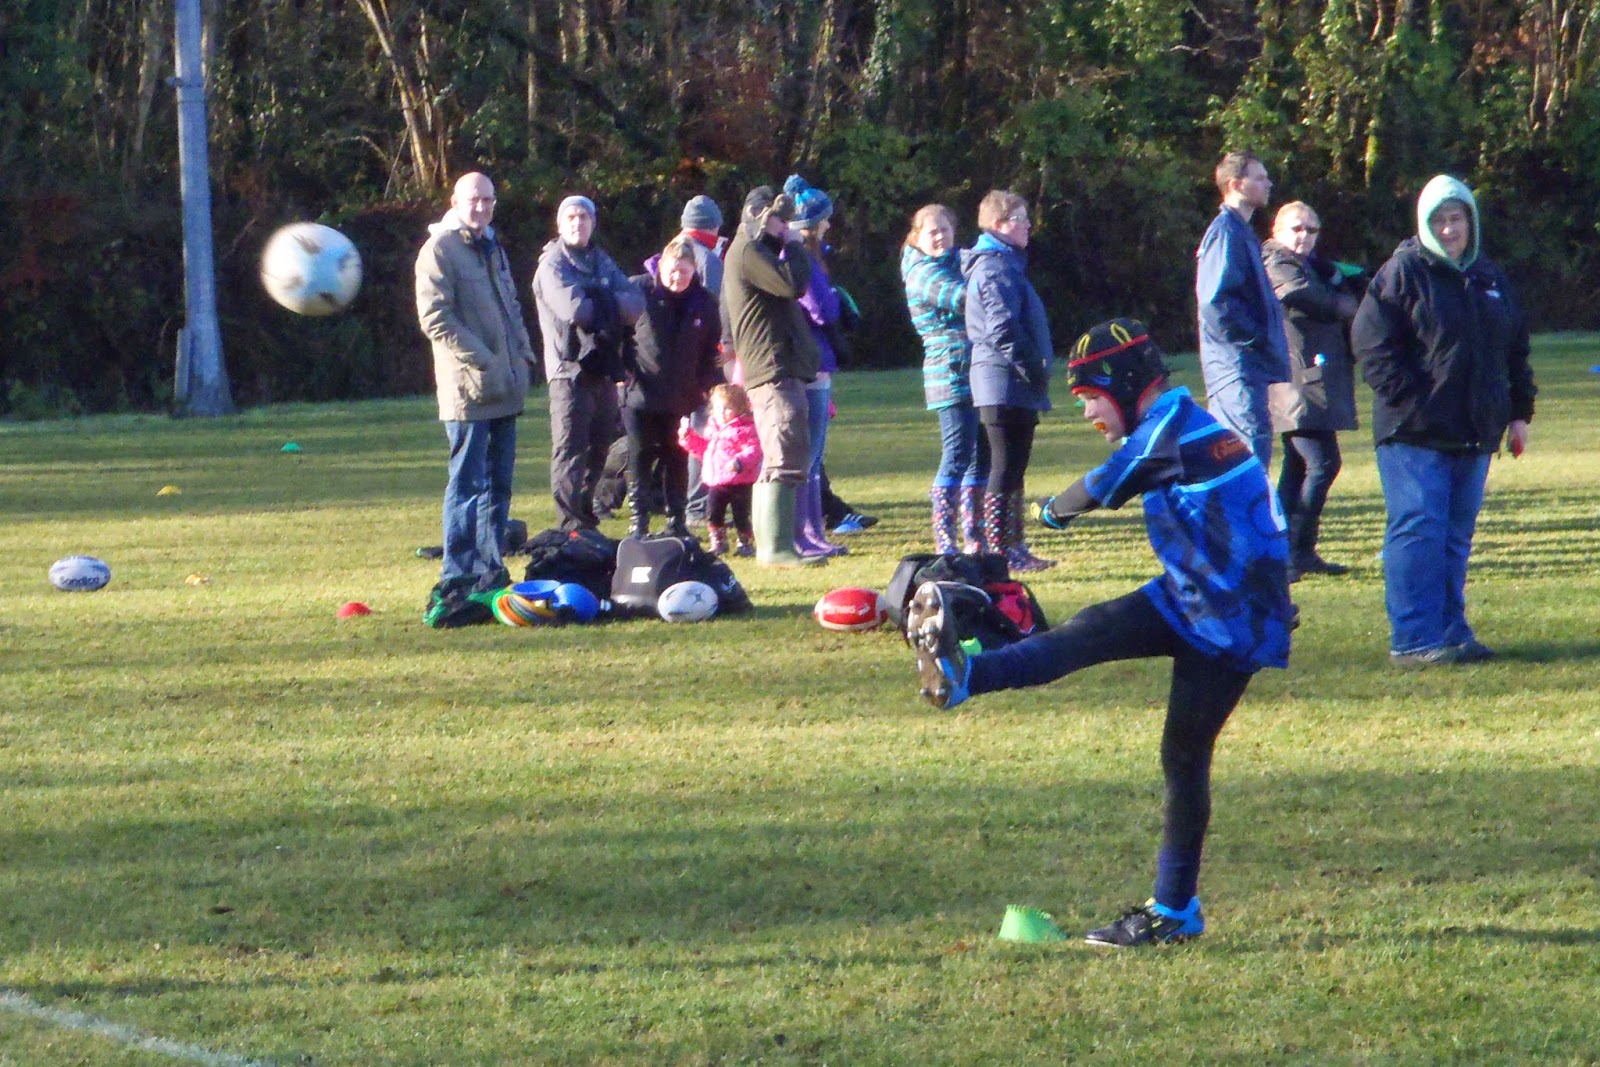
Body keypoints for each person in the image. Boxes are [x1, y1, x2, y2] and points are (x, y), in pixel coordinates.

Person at [907, 318, 1294, 947]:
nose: (1087, 412)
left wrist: (1050, 511)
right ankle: (962, 674)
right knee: (1087, 632)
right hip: (1194, 596)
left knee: (1184, 756)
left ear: (1125, 382)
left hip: (1230, 621)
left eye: (1091, 396)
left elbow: (1108, 480)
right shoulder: (1182, 424)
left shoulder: (1170, 429)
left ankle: (1175, 911)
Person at [1351, 175, 1536, 667]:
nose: (1449, 229)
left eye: (1457, 219)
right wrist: (1415, 402)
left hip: (1475, 431)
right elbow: (1372, 346)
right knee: (1419, 530)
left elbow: (1514, 350)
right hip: (1413, 434)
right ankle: (1413, 639)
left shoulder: (1489, 277)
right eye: (1439, 220)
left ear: (1471, 222)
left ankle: (1451, 631)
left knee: (1454, 537)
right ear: (1423, 223)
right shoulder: (1402, 273)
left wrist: (1519, 413)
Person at [415, 171, 537, 623]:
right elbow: (435, 317)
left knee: (499, 485)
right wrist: (483, 359)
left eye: (488, 199)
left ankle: (490, 571)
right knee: (467, 486)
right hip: (468, 390)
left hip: (505, 386)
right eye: (474, 199)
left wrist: (522, 352)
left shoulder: (492, 246)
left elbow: (511, 307)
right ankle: (459, 575)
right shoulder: (439, 249)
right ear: (455, 202)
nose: (482, 207)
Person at [721, 184, 824, 567]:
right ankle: (775, 548)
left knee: (788, 451)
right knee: (784, 450)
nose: (785, 227)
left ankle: (779, 544)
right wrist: (794, 245)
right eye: (779, 220)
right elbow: (792, 283)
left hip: (778, 365)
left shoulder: (754, 249)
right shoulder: (748, 251)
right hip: (771, 368)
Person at [532, 194, 645, 531]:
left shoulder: (601, 260)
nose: (577, 223)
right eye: (570, 217)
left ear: (593, 222)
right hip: (569, 372)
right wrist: (608, 298)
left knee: (599, 448)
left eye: (584, 217)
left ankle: (586, 519)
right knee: (571, 449)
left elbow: (637, 306)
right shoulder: (552, 264)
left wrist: (598, 297)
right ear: (559, 224)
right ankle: (569, 524)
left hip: (603, 368)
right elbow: (576, 311)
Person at [1262, 201, 1362, 579]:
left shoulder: (1314, 266)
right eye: (1296, 228)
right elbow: (1297, 294)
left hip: (1312, 377)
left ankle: (1290, 552)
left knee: (1299, 466)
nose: (1304, 236)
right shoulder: (1276, 261)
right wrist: (1346, 304)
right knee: (1323, 464)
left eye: (1311, 229)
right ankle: (1292, 551)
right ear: (1277, 232)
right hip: (1297, 379)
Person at [962, 189, 1054, 571]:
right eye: (1020, 218)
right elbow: (1002, 329)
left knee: (1016, 467)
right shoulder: (993, 268)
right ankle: (1000, 552)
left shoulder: (1007, 264)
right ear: (999, 225)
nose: (1028, 225)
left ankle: (1015, 546)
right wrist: (1033, 367)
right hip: (1001, 380)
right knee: (1004, 466)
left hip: (1013, 382)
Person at [621, 236, 723, 539]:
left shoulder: (704, 302)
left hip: (682, 396)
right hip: (641, 392)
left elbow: (710, 351)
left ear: (694, 271)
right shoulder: (638, 290)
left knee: (676, 458)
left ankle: (676, 521)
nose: (677, 277)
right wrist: (623, 371)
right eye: (672, 271)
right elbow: (618, 333)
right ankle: (638, 521)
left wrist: (707, 388)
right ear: (661, 267)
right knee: (639, 456)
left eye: (684, 271)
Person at [1196, 150, 1290, 466]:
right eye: (1259, 178)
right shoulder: (1225, 232)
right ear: (1236, 184)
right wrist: (1255, 338)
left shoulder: (1241, 232)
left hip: (1249, 368)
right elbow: (1215, 301)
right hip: (1236, 369)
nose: (1268, 184)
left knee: (1250, 455)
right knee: (1247, 459)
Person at [903, 202, 986, 554]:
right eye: (932, 231)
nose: (939, 237)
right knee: (957, 454)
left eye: (945, 230)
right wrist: (993, 284)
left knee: (980, 456)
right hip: (949, 374)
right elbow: (964, 298)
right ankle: (946, 541)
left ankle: (976, 538)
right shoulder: (922, 272)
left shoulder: (958, 263)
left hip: (976, 370)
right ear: (917, 237)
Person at [784, 173, 848, 558]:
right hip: (811, 361)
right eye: (824, 219)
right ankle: (806, 531)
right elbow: (823, 309)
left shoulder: (803, 256)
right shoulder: (803, 259)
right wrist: (838, 300)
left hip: (811, 360)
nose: (828, 225)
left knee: (810, 455)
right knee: (809, 455)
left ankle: (813, 530)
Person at [676, 194, 729, 525]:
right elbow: (720, 311)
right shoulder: (708, 259)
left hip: (676, 360)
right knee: (705, 432)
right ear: (713, 226)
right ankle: (698, 505)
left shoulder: (671, 252)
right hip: (705, 362)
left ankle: (682, 501)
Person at [679, 383, 761, 556]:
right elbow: (703, 450)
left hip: (740, 481)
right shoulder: (713, 430)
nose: (722, 413)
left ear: (740, 408)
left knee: (741, 515)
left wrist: (739, 461)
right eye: (718, 408)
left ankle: (745, 542)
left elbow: (754, 450)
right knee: (713, 513)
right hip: (717, 481)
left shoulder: (745, 428)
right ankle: (718, 541)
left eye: (727, 408)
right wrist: (688, 438)